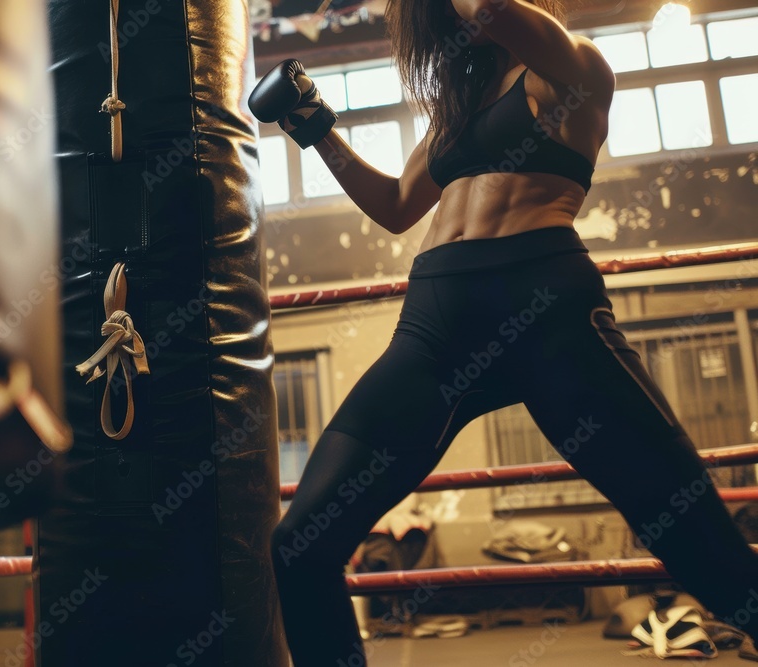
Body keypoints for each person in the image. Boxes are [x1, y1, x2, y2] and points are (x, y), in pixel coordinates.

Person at [248, 0, 758, 663]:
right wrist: (314, 125)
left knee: (704, 546)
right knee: (300, 546)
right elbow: (396, 207)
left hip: (547, 308)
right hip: (435, 325)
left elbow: (487, 9)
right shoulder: (456, 112)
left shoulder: (571, 67)